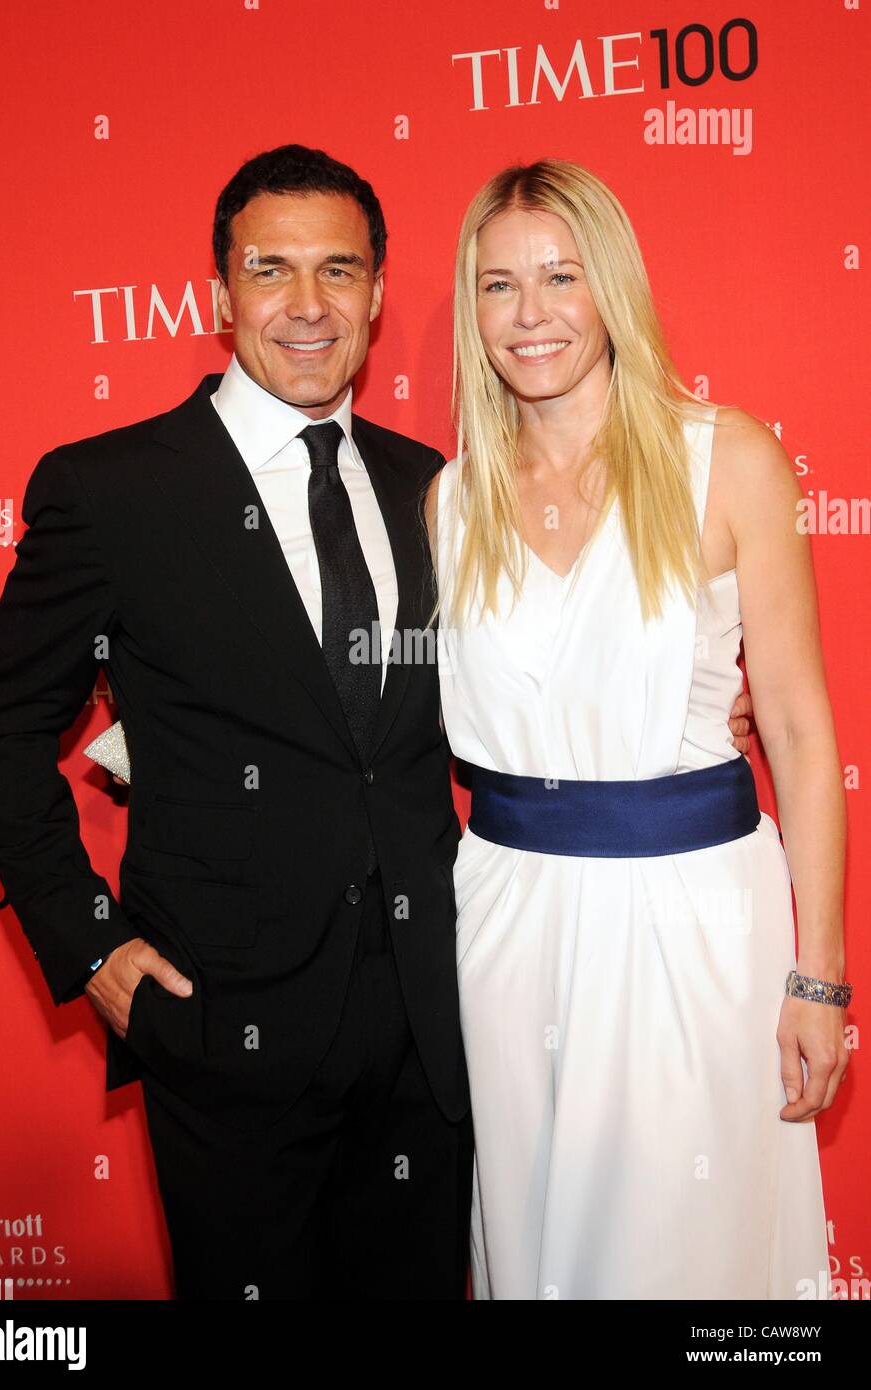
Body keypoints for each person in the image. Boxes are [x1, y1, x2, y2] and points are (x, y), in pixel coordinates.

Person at [0, 144, 477, 1300]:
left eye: (339, 270)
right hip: (224, 1032)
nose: (307, 305)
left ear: (380, 293)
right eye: (271, 269)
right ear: (219, 294)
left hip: (431, 1036)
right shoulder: (115, 491)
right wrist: (89, 946)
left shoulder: (434, 485)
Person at [423, 159, 850, 1300]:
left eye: (561, 276)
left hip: (696, 920)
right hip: (511, 919)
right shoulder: (452, 501)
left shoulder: (728, 460)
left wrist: (821, 976)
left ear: (612, 284)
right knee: (537, 1236)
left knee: (687, 1247)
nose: (531, 315)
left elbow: (804, 733)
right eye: (499, 284)